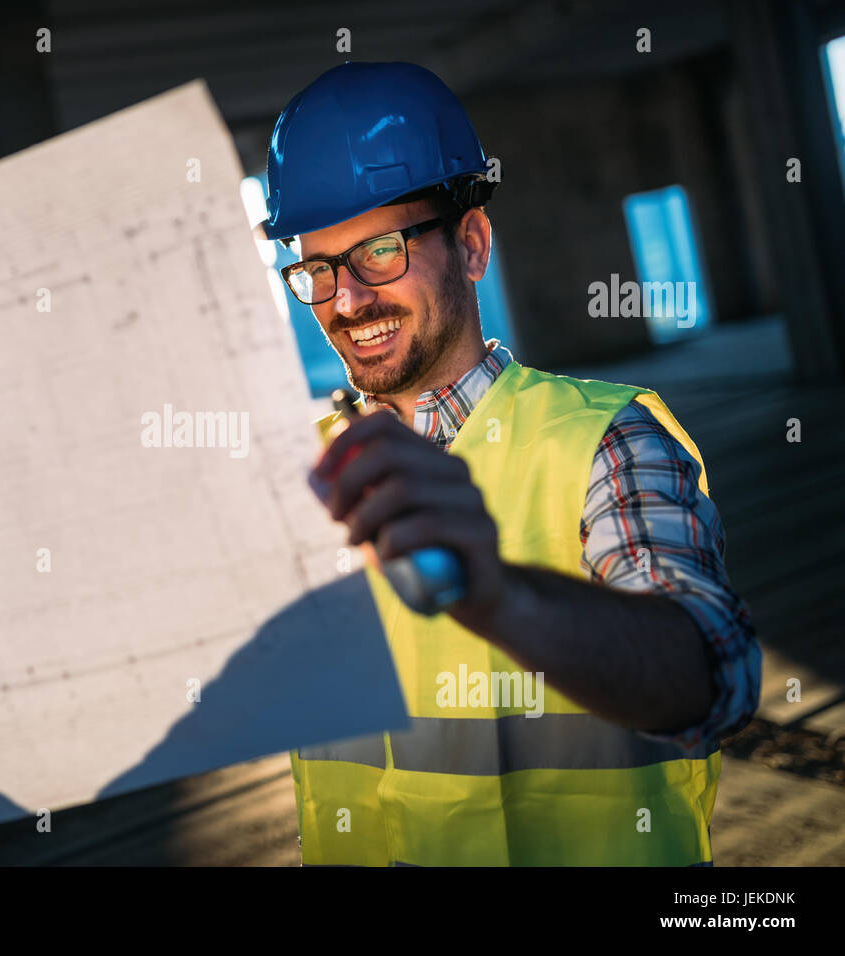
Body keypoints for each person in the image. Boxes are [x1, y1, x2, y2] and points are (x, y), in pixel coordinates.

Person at [259, 61, 761, 866]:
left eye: (380, 251)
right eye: (318, 269)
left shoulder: (607, 439)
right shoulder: (297, 476)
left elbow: (714, 673)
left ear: (472, 243)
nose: (346, 300)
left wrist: (496, 593)